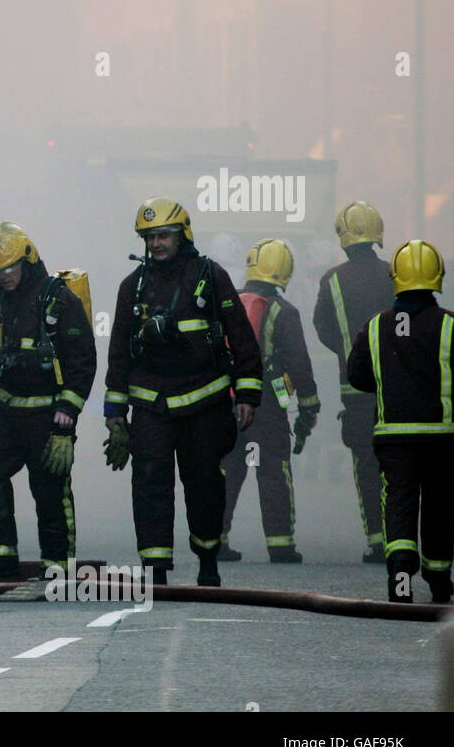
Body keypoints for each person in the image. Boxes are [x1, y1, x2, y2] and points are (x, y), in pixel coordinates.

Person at [102, 197, 261, 587]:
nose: (156, 244)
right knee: (150, 483)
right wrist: (114, 411)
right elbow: (119, 349)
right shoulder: (133, 286)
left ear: (182, 234)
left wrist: (248, 394)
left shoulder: (210, 276)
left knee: (205, 483)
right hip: (151, 406)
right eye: (150, 237)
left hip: (204, 402)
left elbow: (241, 337)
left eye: (164, 236)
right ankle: (155, 569)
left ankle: (208, 559)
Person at [0, 222, 96, 581]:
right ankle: (0, 558)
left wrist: (68, 409)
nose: (2, 276)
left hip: (46, 413)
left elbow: (82, 360)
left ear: (27, 258)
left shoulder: (58, 299)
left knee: (49, 488)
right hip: (5, 410)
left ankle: (57, 566)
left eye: (8, 268)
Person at [346, 240, 453, 604]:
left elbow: (358, 376)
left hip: (394, 438)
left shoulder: (375, 327)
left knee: (400, 501)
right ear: (438, 277)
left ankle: (401, 585)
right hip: (443, 438)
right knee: (439, 505)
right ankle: (440, 584)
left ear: (396, 278)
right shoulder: (450, 326)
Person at [219, 239, 320, 563]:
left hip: (228, 407)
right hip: (268, 411)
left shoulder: (227, 304)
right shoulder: (284, 312)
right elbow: (299, 364)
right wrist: (308, 407)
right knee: (274, 474)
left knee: (227, 473)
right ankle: (280, 545)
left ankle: (215, 541)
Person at [312, 201, 394, 563]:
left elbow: (323, 328)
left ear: (343, 238)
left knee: (367, 463)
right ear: (377, 234)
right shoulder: (395, 275)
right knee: (403, 464)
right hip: (397, 388)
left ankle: (378, 540)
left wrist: (349, 352)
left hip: (356, 391)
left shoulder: (332, 280)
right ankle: (403, 538)